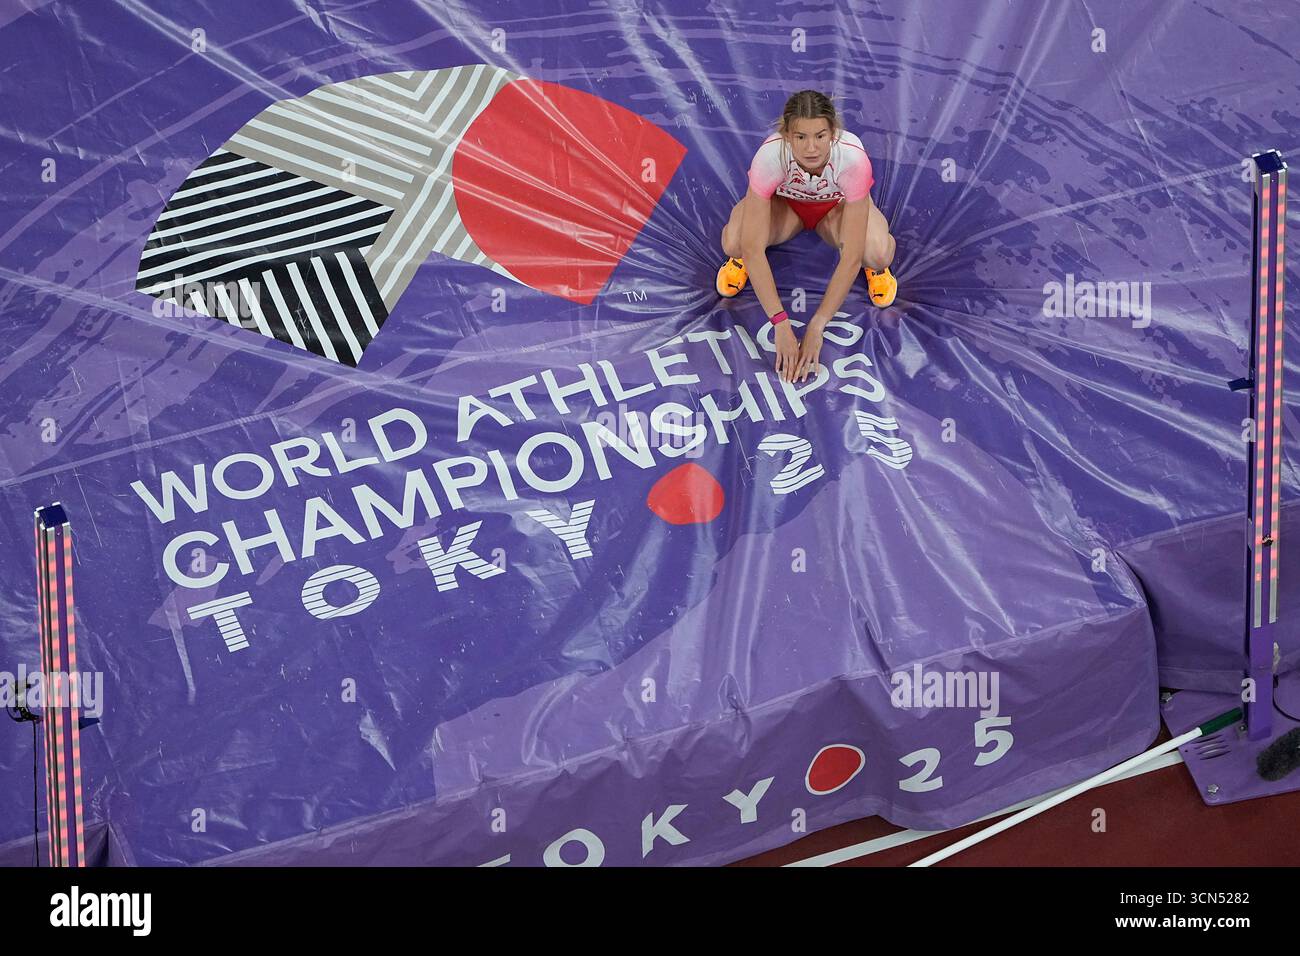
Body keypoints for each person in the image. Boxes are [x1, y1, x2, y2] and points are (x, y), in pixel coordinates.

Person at [716, 90, 896, 383]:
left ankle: (876, 269)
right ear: (787, 135)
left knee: (875, 251)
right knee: (735, 242)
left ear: (833, 133)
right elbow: (751, 246)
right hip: (787, 207)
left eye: (820, 136)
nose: (811, 148)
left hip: (835, 209)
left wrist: (817, 325)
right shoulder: (769, 156)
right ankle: (740, 264)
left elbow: (849, 256)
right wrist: (780, 322)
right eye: (801, 137)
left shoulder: (852, 158)